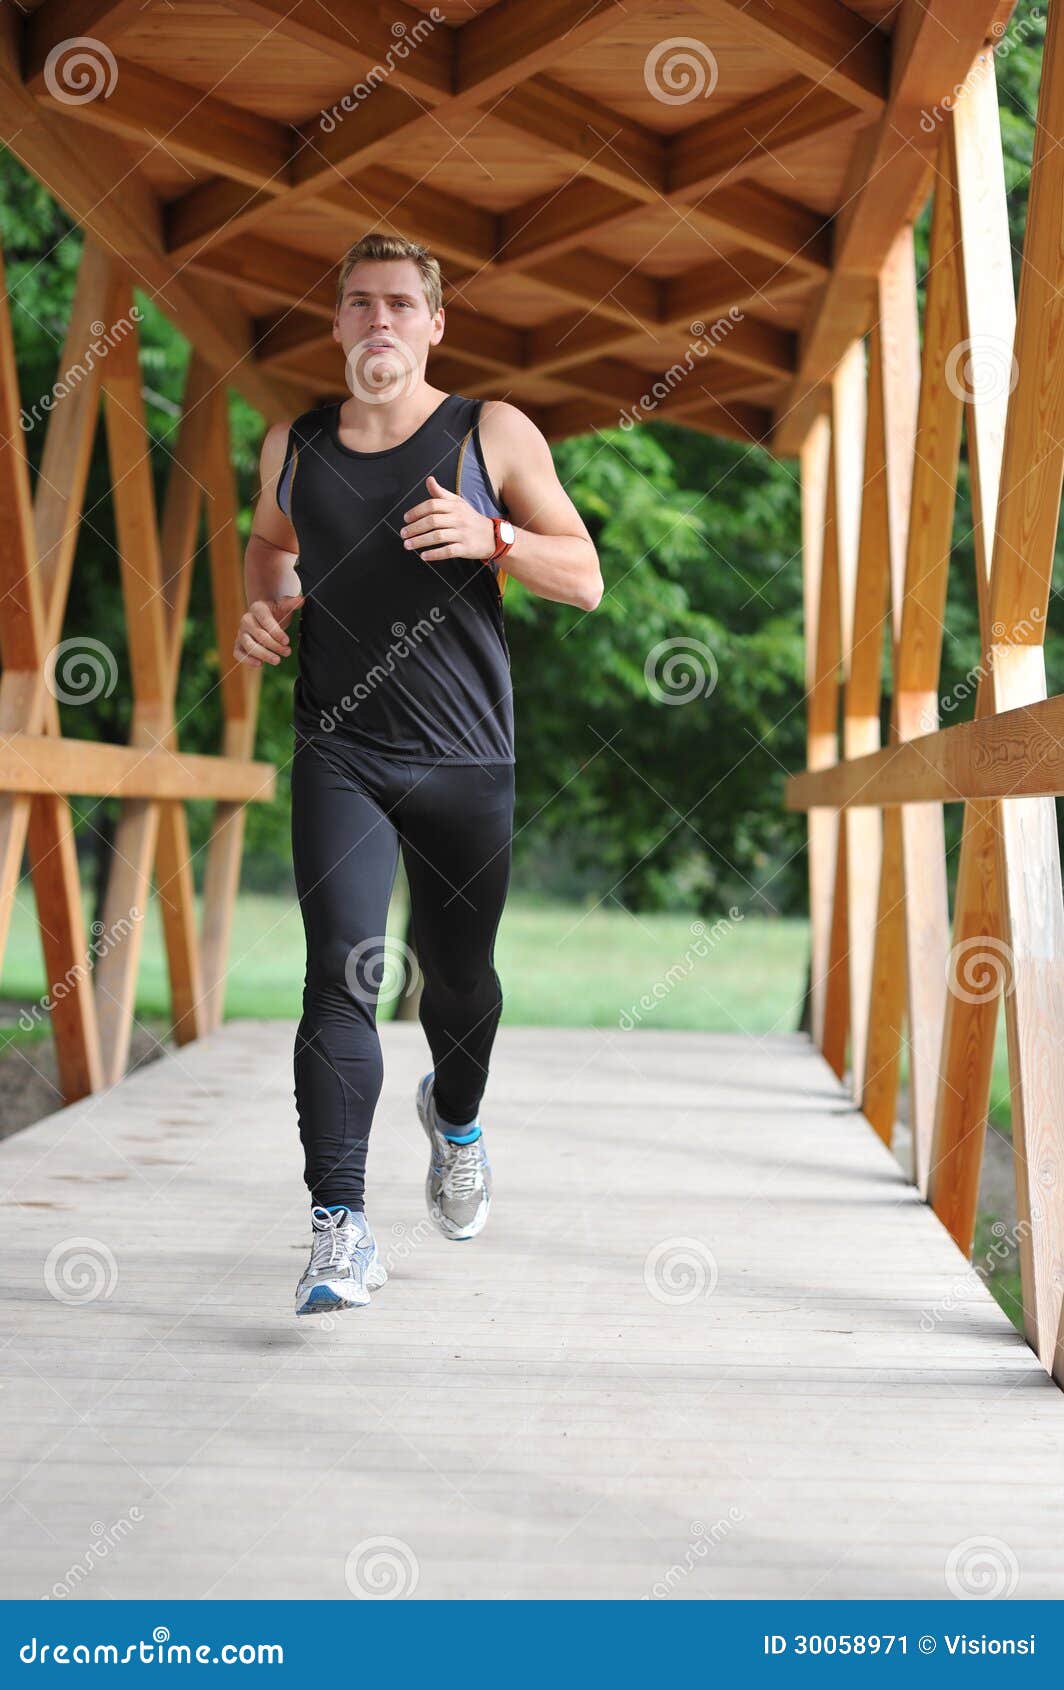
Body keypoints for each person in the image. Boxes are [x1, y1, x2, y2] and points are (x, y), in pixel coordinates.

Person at [235, 233, 603, 1316]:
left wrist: (491, 535)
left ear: (435, 324)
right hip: (339, 751)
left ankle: (456, 1117)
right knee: (339, 974)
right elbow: (268, 547)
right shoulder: (292, 446)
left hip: (465, 761)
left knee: (458, 989)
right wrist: (270, 604)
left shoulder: (488, 431)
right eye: (359, 304)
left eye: (402, 303)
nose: (380, 320)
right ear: (338, 323)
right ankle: (339, 1226)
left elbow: (581, 576)